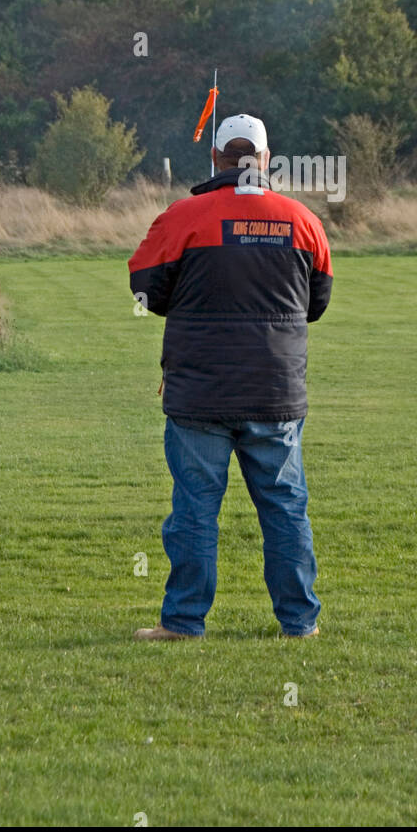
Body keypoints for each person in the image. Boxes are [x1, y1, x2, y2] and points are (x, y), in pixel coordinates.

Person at [128, 113, 333, 641]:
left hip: (200, 393)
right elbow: (317, 304)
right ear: (265, 159)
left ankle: (183, 622)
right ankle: (299, 623)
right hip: (276, 394)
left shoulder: (182, 217)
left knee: (194, 510)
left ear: (216, 158)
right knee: (286, 510)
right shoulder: (303, 221)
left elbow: (145, 291)